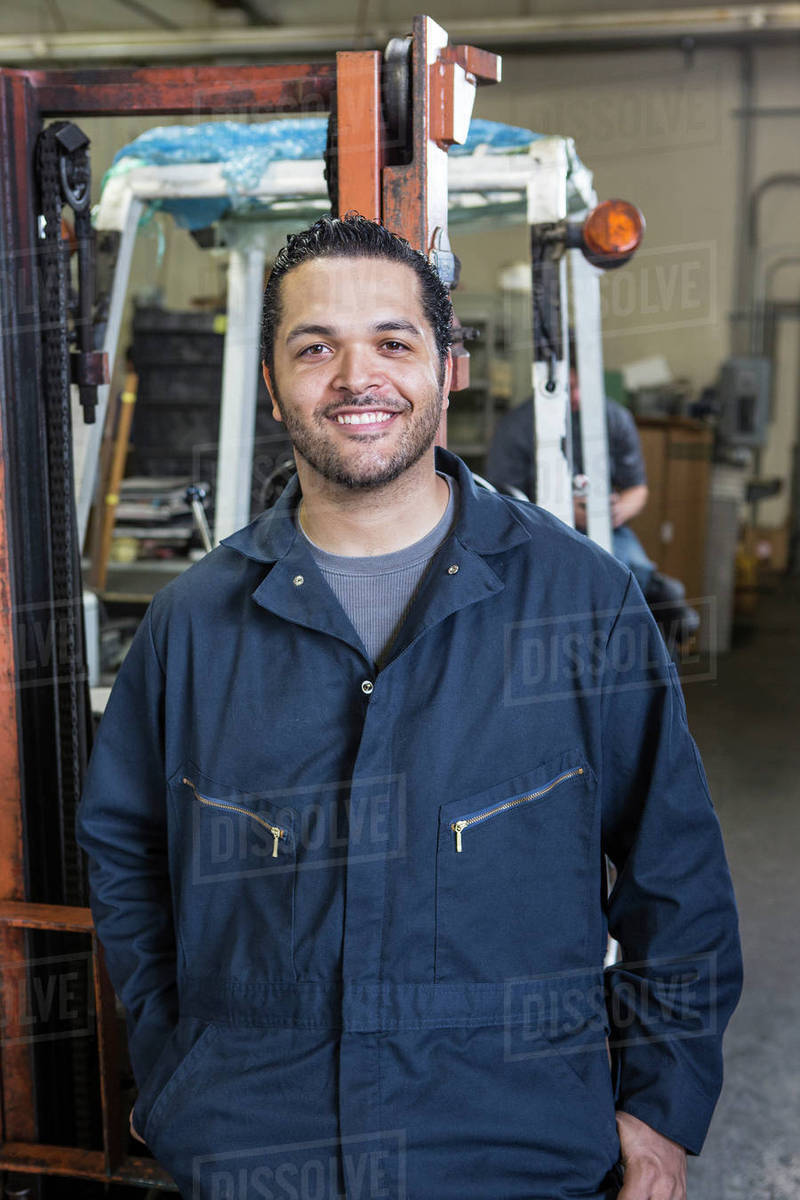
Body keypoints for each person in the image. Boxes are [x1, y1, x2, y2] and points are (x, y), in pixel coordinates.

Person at [75, 215, 742, 1200]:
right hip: (258, 1151)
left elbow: (675, 872)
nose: (358, 378)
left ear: (447, 368)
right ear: (272, 384)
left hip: (510, 1153)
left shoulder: (579, 603)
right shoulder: (193, 626)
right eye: (316, 348)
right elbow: (126, 851)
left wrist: (659, 1105)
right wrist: (179, 1065)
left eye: (392, 343)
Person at [485, 353, 656, 594]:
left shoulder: (616, 418)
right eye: (567, 387)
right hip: (538, 531)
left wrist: (616, 511)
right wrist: (560, 510)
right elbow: (500, 502)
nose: (576, 396)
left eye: (584, 387)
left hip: (608, 530)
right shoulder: (515, 427)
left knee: (638, 575)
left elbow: (637, 488)